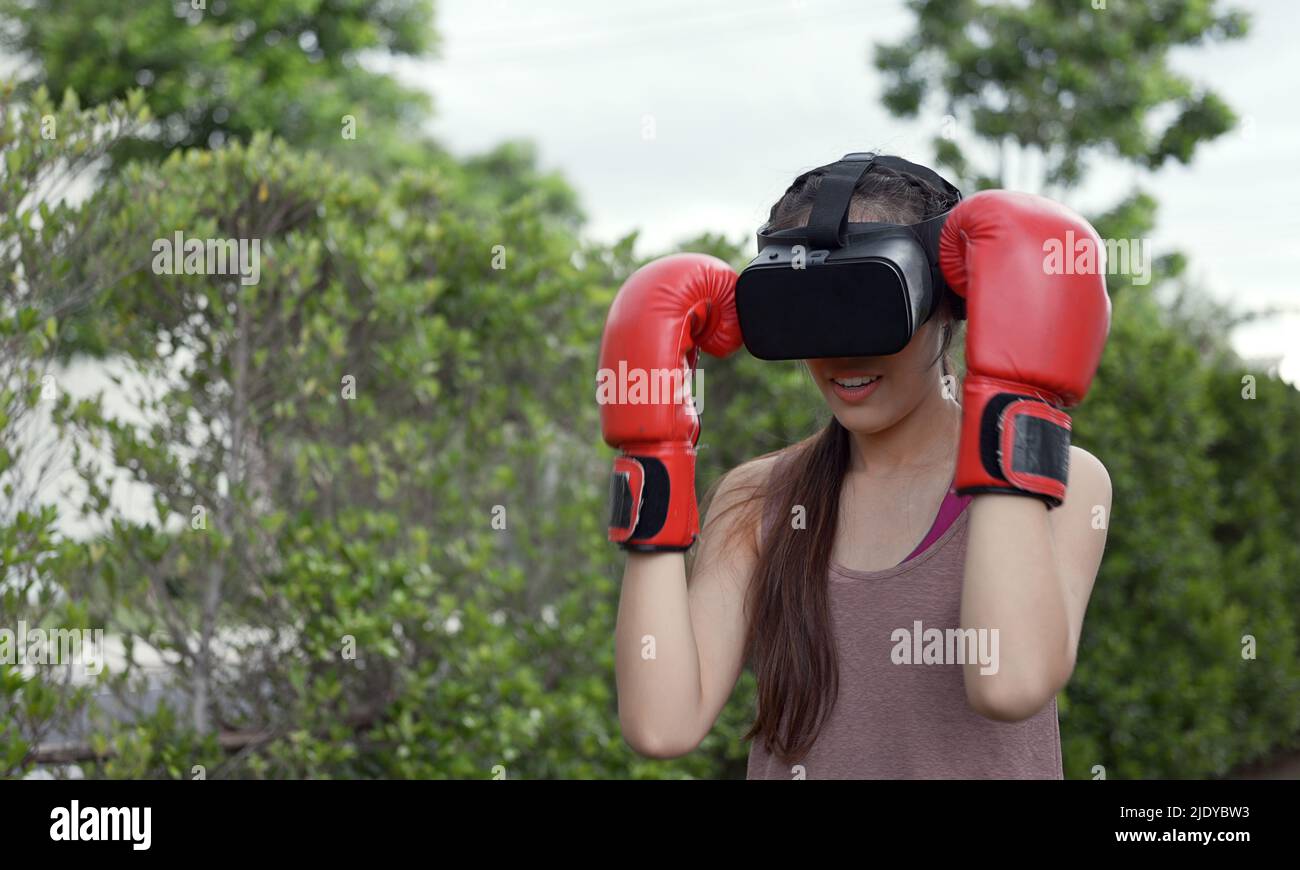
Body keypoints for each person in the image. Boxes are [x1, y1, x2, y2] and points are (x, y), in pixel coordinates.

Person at [599, 156, 1112, 779]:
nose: (842, 353)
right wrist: (650, 455)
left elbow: (1009, 681)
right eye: (809, 313)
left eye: (868, 304)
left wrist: (1016, 406)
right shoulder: (758, 498)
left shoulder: (1066, 481)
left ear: (948, 302)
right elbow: (661, 722)